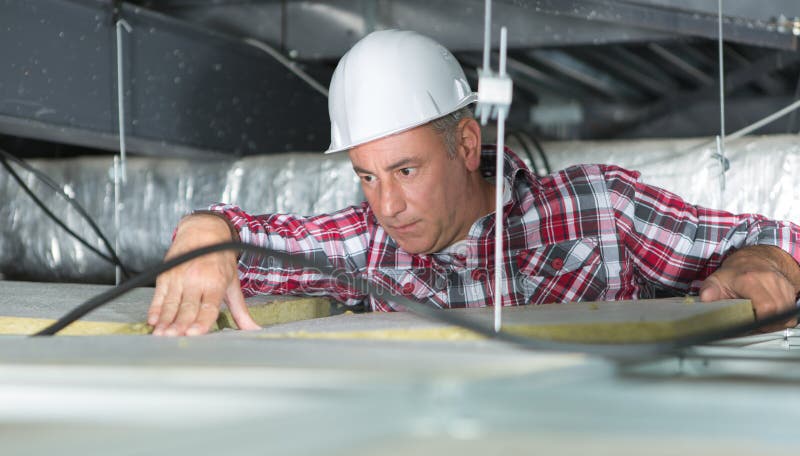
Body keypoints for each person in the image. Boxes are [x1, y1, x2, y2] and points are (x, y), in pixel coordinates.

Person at [147, 29, 800, 337]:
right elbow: (242, 237)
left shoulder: (602, 210)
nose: (388, 205)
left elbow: (767, 238)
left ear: (465, 144)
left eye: (405, 170)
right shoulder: (365, 243)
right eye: (366, 177)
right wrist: (206, 236)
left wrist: (762, 262)